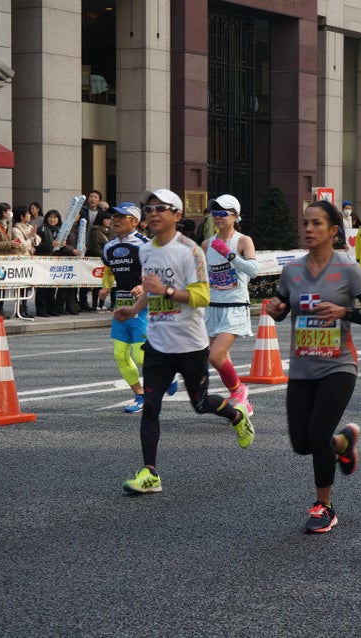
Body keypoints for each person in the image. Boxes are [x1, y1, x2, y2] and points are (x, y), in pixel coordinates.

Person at [114, 188, 254, 494]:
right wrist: (134, 309)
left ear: (177, 215)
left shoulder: (191, 251)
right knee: (151, 407)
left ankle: (236, 415)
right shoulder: (146, 251)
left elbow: (202, 296)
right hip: (158, 343)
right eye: (149, 209)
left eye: (160, 208)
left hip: (190, 344)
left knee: (200, 404)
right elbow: (150, 289)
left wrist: (165, 291)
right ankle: (150, 474)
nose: (153, 214)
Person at [266, 200, 361, 533]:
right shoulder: (292, 271)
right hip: (302, 366)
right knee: (301, 444)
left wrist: (344, 312)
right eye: (305, 223)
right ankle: (342, 444)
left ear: (333, 231)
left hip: (338, 366)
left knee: (317, 435)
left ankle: (324, 506)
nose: (308, 229)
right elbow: (282, 307)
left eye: (316, 223)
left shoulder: (347, 269)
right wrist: (275, 308)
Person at [202, 194, 260, 415]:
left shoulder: (243, 241)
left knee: (215, 355)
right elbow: (201, 276)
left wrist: (230, 255)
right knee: (219, 357)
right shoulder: (207, 244)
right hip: (213, 306)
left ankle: (239, 391)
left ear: (235, 216)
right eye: (214, 213)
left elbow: (253, 271)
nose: (217, 217)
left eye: (222, 213)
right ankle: (242, 399)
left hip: (235, 305)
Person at [99, 203, 155, 412]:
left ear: (135, 221)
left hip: (143, 305)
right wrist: (106, 287)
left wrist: (143, 286)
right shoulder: (109, 246)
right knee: (120, 354)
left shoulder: (146, 244)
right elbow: (108, 270)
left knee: (140, 355)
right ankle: (140, 395)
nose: (116, 219)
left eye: (122, 216)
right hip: (120, 305)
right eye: (114, 216)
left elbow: (157, 271)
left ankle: (167, 374)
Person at [11, 206, 39, 317]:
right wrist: (30, 238)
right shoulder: (16, 230)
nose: (29, 215)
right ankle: (19, 308)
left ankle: (25, 307)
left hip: (29, 260)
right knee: (20, 286)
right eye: (27, 214)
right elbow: (22, 246)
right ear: (22, 216)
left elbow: (38, 240)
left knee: (27, 286)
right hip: (20, 260)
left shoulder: (30, 226)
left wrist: (32, 237)